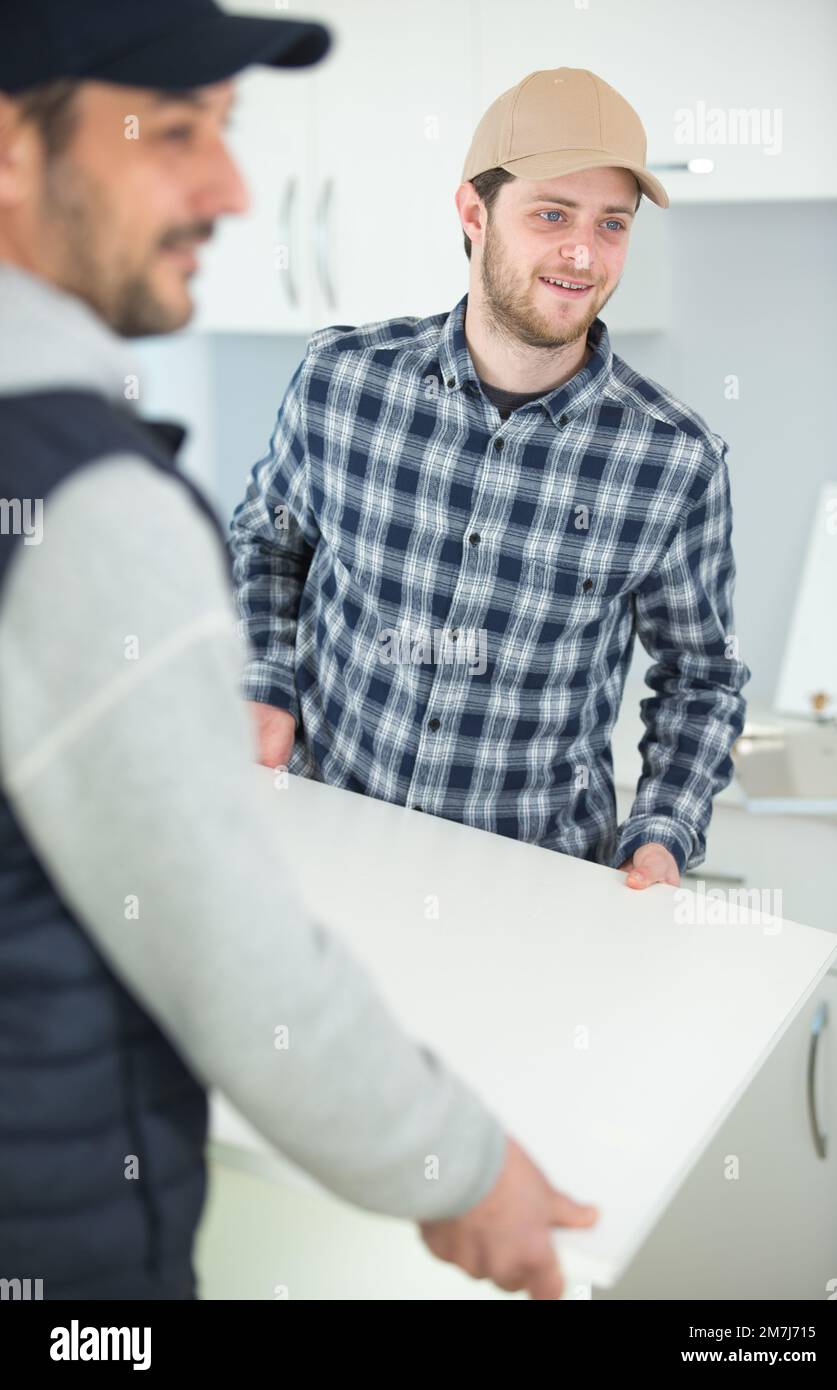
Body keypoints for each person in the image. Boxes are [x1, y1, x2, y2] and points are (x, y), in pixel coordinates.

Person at [0, 0, 597, 1302]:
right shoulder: (87, 504)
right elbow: (229, 949)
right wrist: (463, 1165)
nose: (227, 185)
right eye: (171, 130)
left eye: (226, 130)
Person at [232, 67, 751, 895]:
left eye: (611, 223)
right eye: (551, 215)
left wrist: (661, 834)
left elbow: (702, 676)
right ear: (474, 213)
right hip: (322, 850)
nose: (583, 254)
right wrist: (264, 689)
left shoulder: (675, 461)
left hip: (534, 893)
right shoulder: (341, 381)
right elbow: (268, 544)